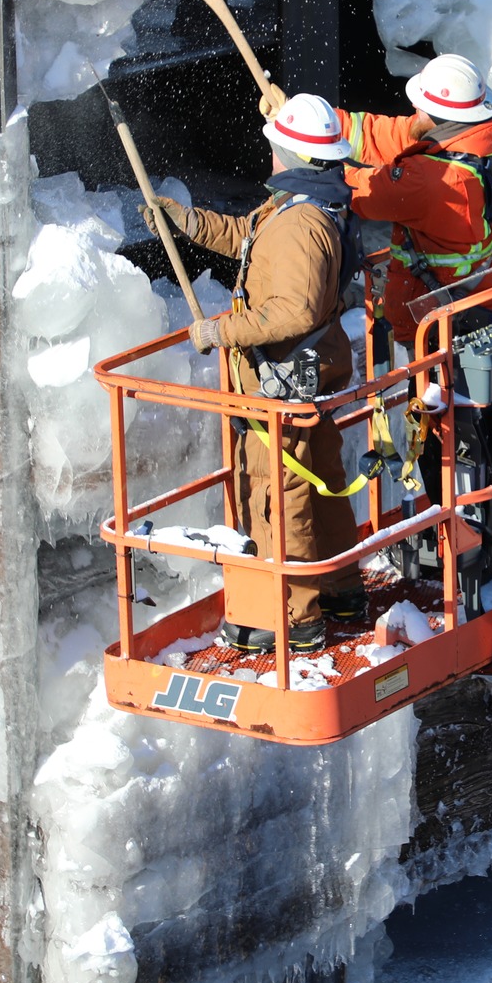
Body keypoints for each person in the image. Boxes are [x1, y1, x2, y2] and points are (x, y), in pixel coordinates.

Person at [155, 93, 368, 653]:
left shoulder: (301, 224)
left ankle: (295, 617)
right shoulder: (300, 206)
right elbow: (247, 239)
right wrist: (188, 223)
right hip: (307, 370)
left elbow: (293, 310)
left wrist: (221, 331)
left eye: (276, 148)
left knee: (282, 491)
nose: (269, 156)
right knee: (320, 478)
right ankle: (342, 588)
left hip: (284, 374)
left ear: (292, 156)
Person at [264, 53, 492, 349]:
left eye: (423, 106)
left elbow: (354, 190)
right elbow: (380, 135)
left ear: (443, 116)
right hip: (478, 300)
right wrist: (301, 116)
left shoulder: (433, 179)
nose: (414, 107)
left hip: (441, 324)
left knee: (434, 392)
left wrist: (301, 143)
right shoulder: (473, 143)